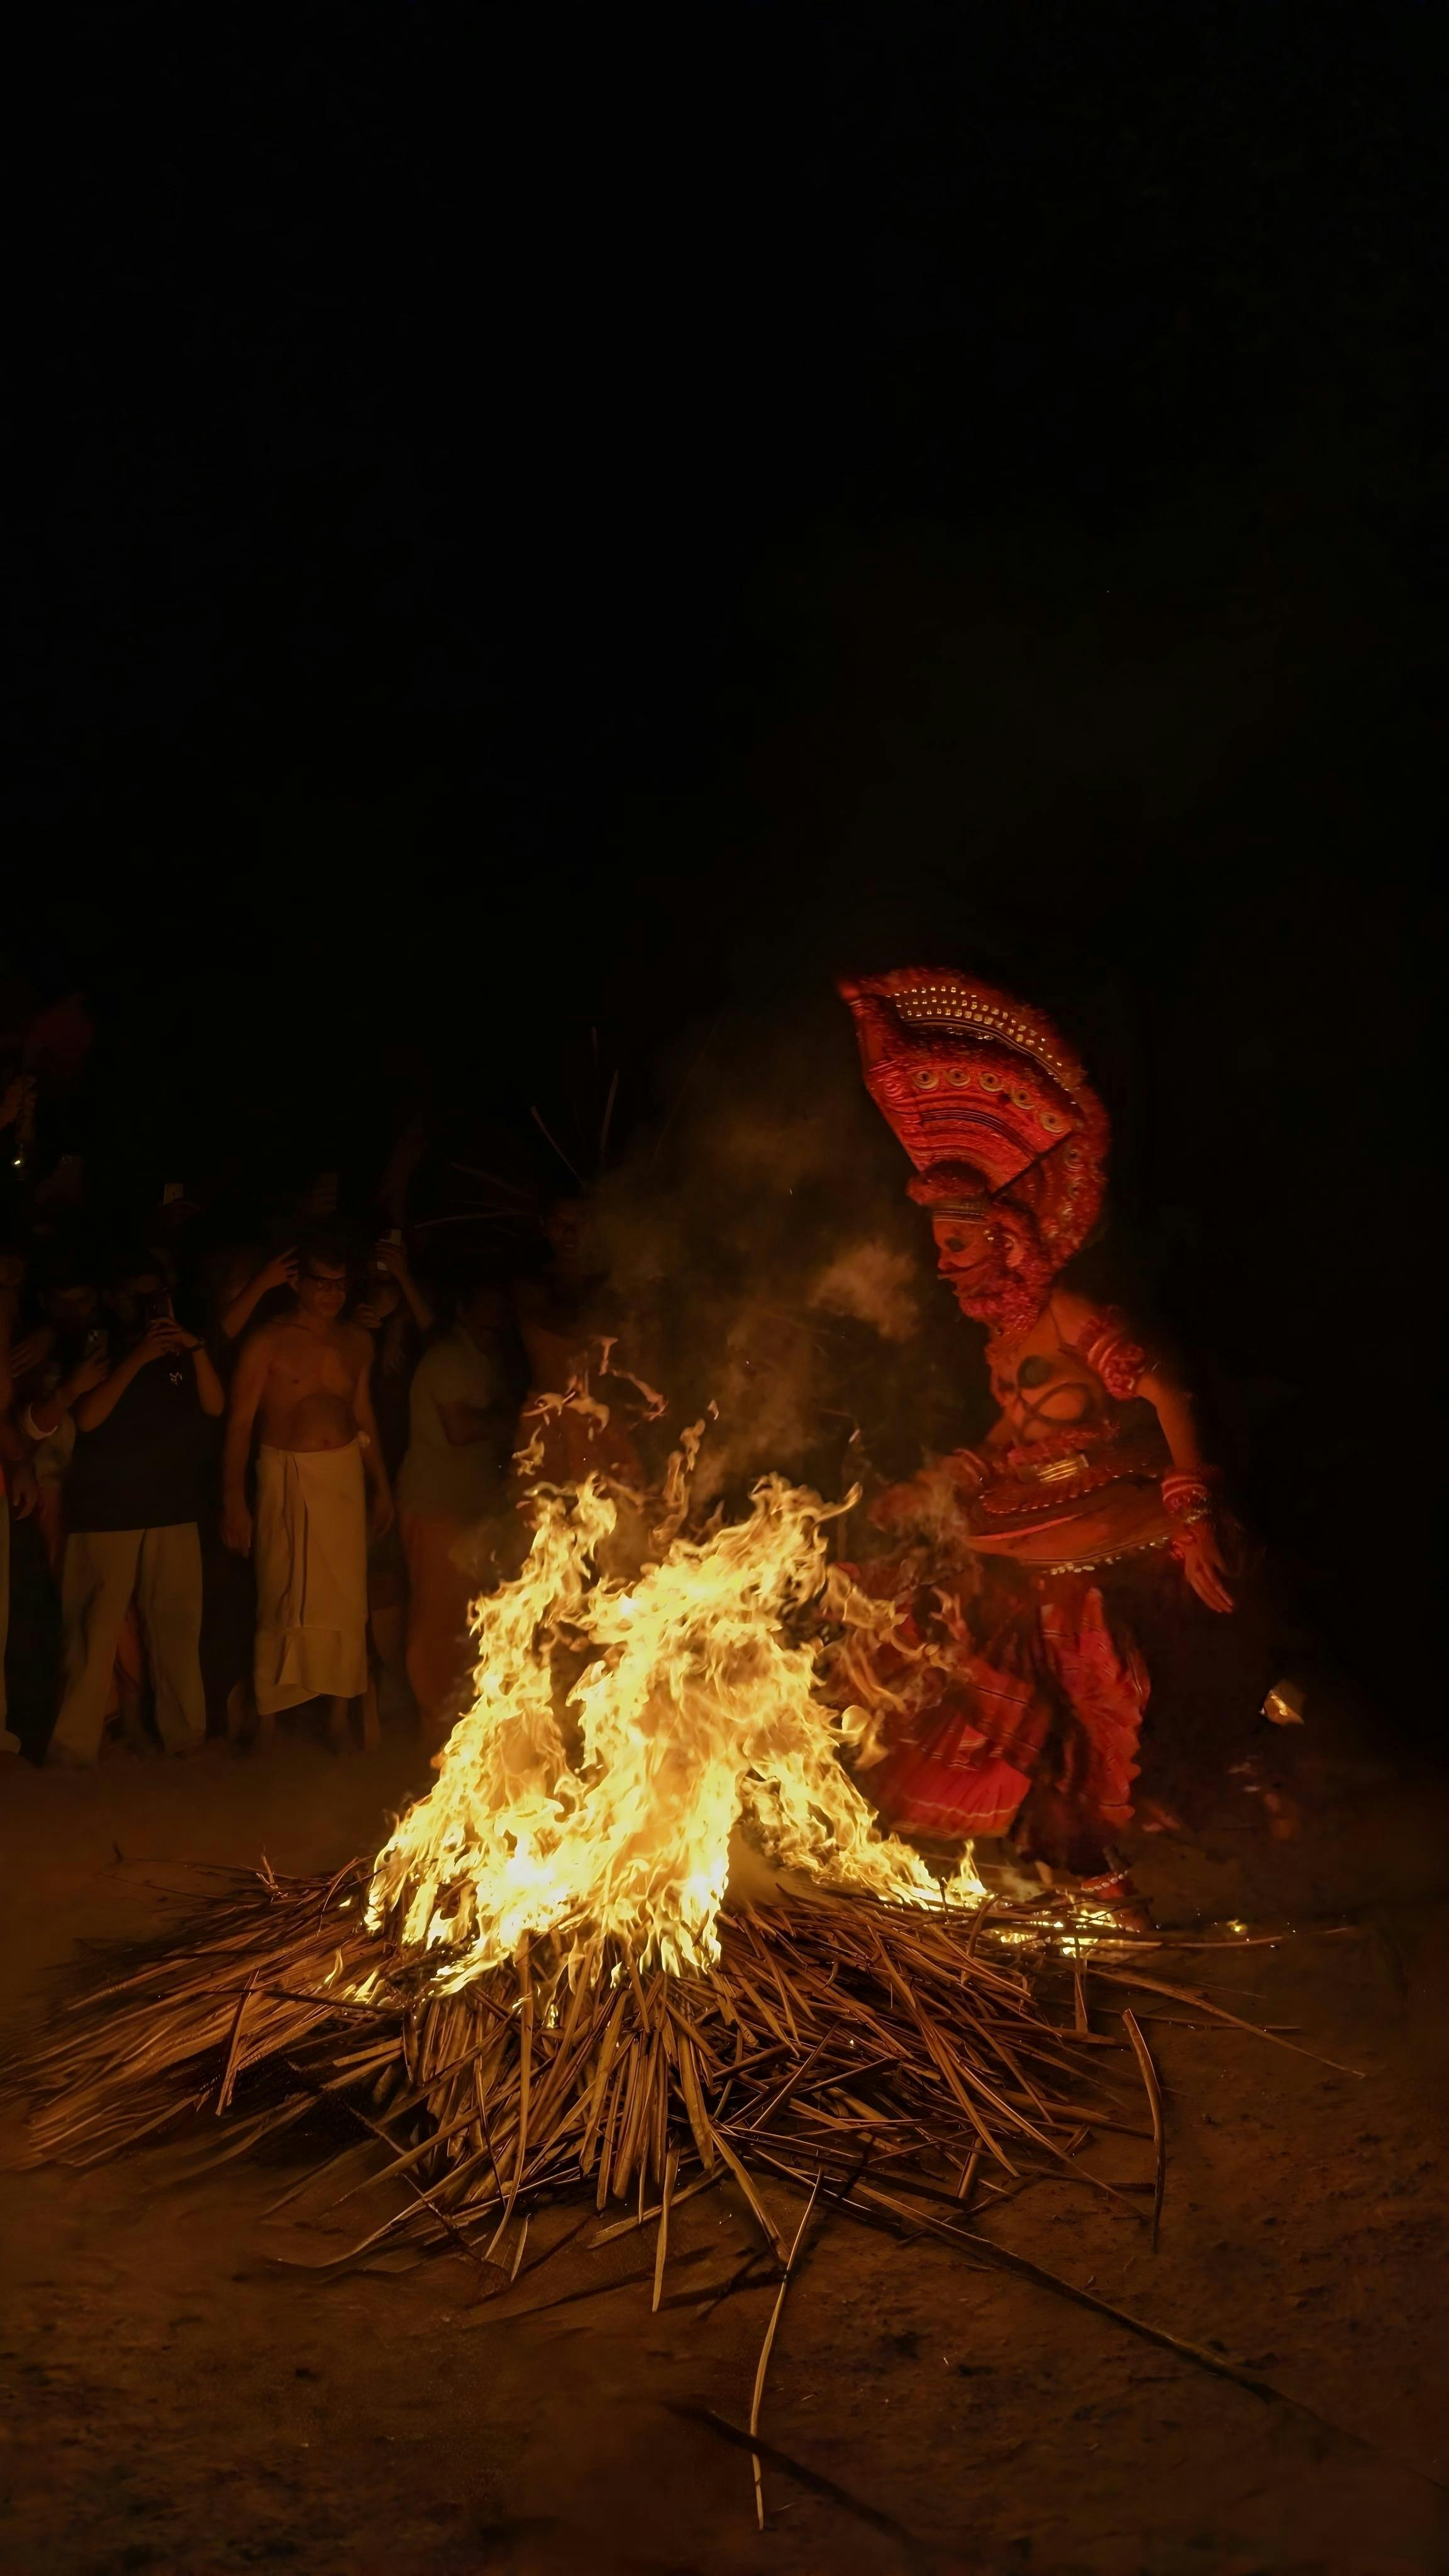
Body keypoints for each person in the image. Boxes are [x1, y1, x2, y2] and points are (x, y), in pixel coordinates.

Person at [835, 969, 1278, 1924]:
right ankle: (1080, 1866)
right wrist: (951, 1475)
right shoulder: (1001, 1337)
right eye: (939, 1247)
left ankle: (1133, 1835)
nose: (943, 1263)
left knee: (1102, 1699)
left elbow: (1164, 1389)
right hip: (1028, 1527)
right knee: (990, 1681)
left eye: (956, 1246)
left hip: (1104, 1521)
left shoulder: (1069, 1313)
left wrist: (1189, 1506)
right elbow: (1020, 1425)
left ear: (1002, 1239)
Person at [47, 1258, 226, 1767]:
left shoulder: (182, 1350)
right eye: (139, 1296)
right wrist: (138, 1358)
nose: (149, 1307)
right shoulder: (99, 1344)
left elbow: (214, 1407)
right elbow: (87, 1417)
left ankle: (184, 1734)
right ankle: (73, 1744)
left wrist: (193, 1349)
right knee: (93, 1628)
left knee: (176, 1624)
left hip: (172, 1504)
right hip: (107, 1509)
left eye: (158, 1297)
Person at [222, 1233, 391, 1753]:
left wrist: (381, 1485)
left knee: (344, 1596)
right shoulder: (267, 1342)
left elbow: (363, 1415)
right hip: (285, 1474)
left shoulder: (356, 1341)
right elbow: (240, 1423)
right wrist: (234, 1499)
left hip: (341, 1475)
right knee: (283, 1591)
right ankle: (270, 1715)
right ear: (298, 1283)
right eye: (322, 1283)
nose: (333, 1294)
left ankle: (339, 1715)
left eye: (340, 1285)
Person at [395, 1274, 517, 1751]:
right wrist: (518, 1417)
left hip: (469, 1509)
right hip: (435, 1506)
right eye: (485, 1306)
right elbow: (460, 1429)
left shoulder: (487, 1361)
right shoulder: (448, 1359)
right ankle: (435, 1728)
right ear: (464, 1310)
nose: (496, 1316)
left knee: (465, 1618)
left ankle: (459, 1725)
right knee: (436, 1618)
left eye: (499, 1307)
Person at [352, 1235, 434, 1728]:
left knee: (415, 1581)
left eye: (392, 1281)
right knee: (378, 1578)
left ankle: (412, 1683)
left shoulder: (415, 1335)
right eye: (377, 1279)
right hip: (367, 1470)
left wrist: (405, 1279)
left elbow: (438, 1334)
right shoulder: (355, 1334)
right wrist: (358, 1335)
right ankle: (385, 1685)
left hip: (416, 1470)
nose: (384, 1291)